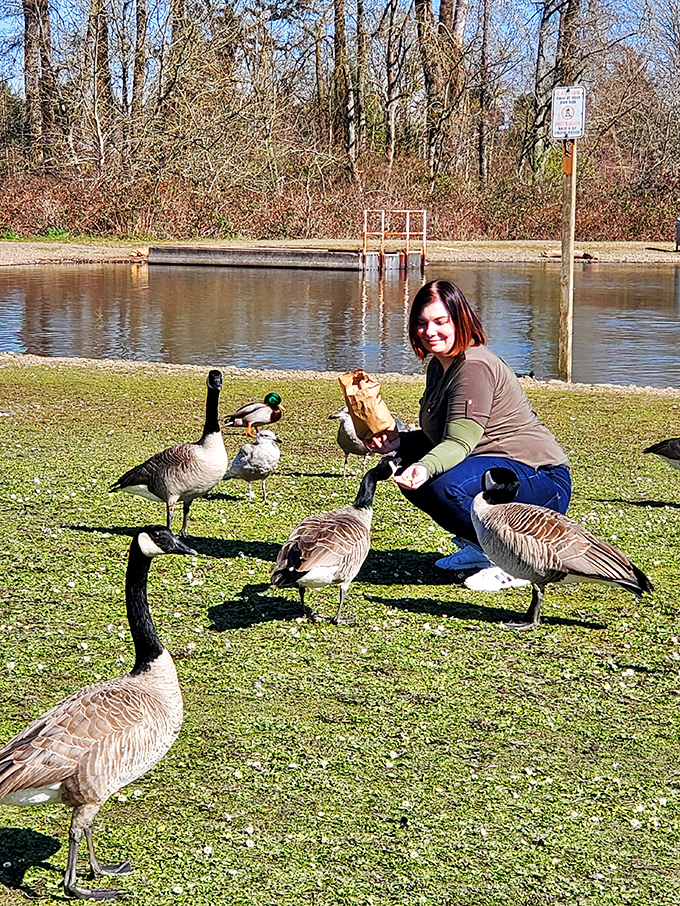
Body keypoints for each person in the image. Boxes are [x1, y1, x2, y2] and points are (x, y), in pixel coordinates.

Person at [367, 279, 571, 591]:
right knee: (404, 462)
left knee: (441, 484)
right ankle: (484, 549)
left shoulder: (473, 366)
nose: (429, 331)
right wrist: (400, 443)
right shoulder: (441, 365)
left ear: (460, 319)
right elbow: (447, 436)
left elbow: (460, 443)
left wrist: (425, 467)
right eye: (421, 323)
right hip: (496, 471)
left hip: (540, 480)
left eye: (440, 321)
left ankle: (516, 561)